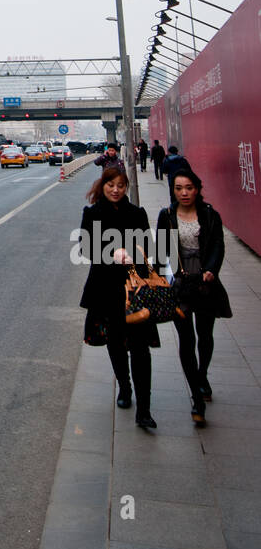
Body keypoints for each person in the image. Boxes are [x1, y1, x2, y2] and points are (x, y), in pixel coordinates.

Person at [79, 166, 159, 429]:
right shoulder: (92, 214)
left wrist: (134, 255)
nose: (115, 190)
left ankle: (144, 410)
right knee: (114, 343)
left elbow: (149, 248)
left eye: (121, 186)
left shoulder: (137, 213)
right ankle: (124, 387)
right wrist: (112, 254)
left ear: (127, 188)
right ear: (103, 186)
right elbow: (86, 248)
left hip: (135, 289)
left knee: (140, 348)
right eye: (111, 185)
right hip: (105, 289)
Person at [154, 170, 231, 427]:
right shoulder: (166, 216)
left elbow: (218, 245)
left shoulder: (210, 214)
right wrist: (155, 277)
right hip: (181, 284)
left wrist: (211, 269)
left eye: (188, 187)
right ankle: (197, 395)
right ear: (173, 190)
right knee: (186, 340)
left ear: (197, 188)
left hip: (206, 282)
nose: (184, 193)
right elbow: (163, 249)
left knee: (205, 336)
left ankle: (202, 374)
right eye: (178, 188)